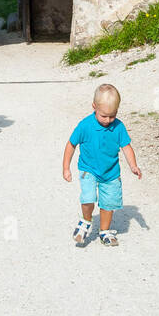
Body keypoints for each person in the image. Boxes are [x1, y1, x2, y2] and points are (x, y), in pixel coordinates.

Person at [62, 83, 141, 246]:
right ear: (94, 107)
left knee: (108, 202)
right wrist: (66, 168)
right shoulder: (85, 125)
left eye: (112, 116)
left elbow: (126, 147)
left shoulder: (118, 126)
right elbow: (71, 145)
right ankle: (85, 221)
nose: (108, 120)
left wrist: (133, 166)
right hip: (88, 169)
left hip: (111, 173)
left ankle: (104, 231)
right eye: (104, 116)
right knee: (88, 197)